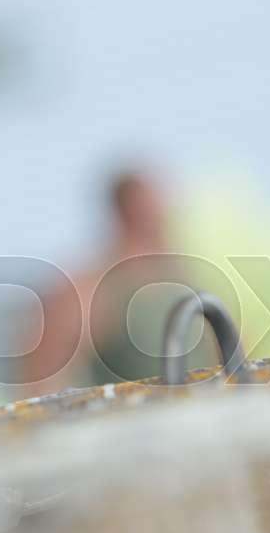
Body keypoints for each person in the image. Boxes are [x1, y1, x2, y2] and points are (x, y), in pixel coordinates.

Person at [13, 167, 205, 396]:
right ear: (130, 213)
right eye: (155, 209)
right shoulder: (97, 287)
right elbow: (37, 376)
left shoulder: (181, 274)